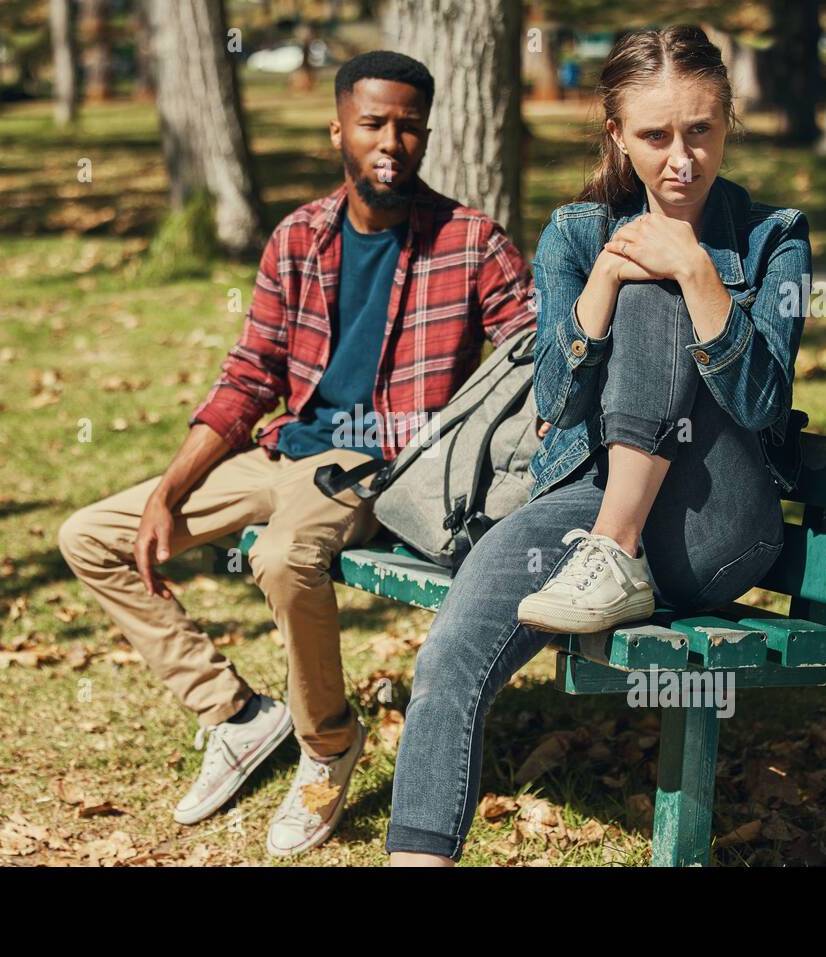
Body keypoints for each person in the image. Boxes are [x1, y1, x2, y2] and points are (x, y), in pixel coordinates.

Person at [58, 50, 536, 857]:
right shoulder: (299, 237)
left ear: (426, 133)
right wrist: (172, 487)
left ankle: (327, 743)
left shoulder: (470, 241)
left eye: (409, 126)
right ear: (339, 129)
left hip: (375, 466)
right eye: (373, 123)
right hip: (287, 448)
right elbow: (251, 376)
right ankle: (238, 715)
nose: (392, 142)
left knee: (283, 558)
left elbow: (533, 353)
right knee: (91, 536)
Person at [385, 25, 813, 865]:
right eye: (656, 136)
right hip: (584, 501)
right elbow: (556, 399)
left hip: (714, 525)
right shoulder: (578, 235)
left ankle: (615, 552)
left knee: (662, 276)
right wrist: (605, 282)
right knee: (450, 652)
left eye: (703, 131)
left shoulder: (774, 238)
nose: (682, 158)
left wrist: (693, 273)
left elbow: (763, 401)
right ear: (617, 133)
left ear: (729, 121)